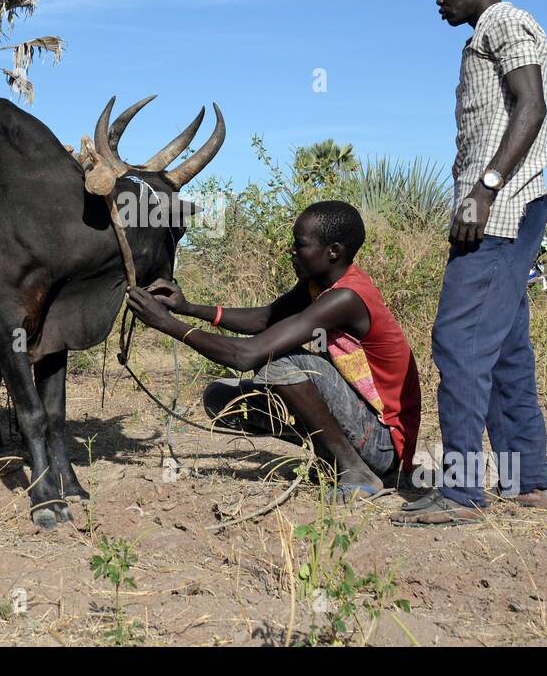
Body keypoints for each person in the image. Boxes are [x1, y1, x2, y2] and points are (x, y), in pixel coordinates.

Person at [393, 0, 547, 526]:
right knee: (506, 348)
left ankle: (461, 493)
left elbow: (530, 106)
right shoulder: (481, 36)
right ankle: (528, 480)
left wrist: (485, 190)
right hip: (507, 211)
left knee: (457, 342)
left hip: (501, 213)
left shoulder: (505, 21)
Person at [125, 201, 421, 499]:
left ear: (333, 251)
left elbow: (247, 355)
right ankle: (332, 460)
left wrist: (167, 324)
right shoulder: (319, 284)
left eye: (300, 244)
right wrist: (187, 308)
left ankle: (355, 470)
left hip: (386, 446)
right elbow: (265, 318)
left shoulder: (346, 297)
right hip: (366, 429)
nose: (291, 251)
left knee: (279, 361)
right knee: (222, 401)